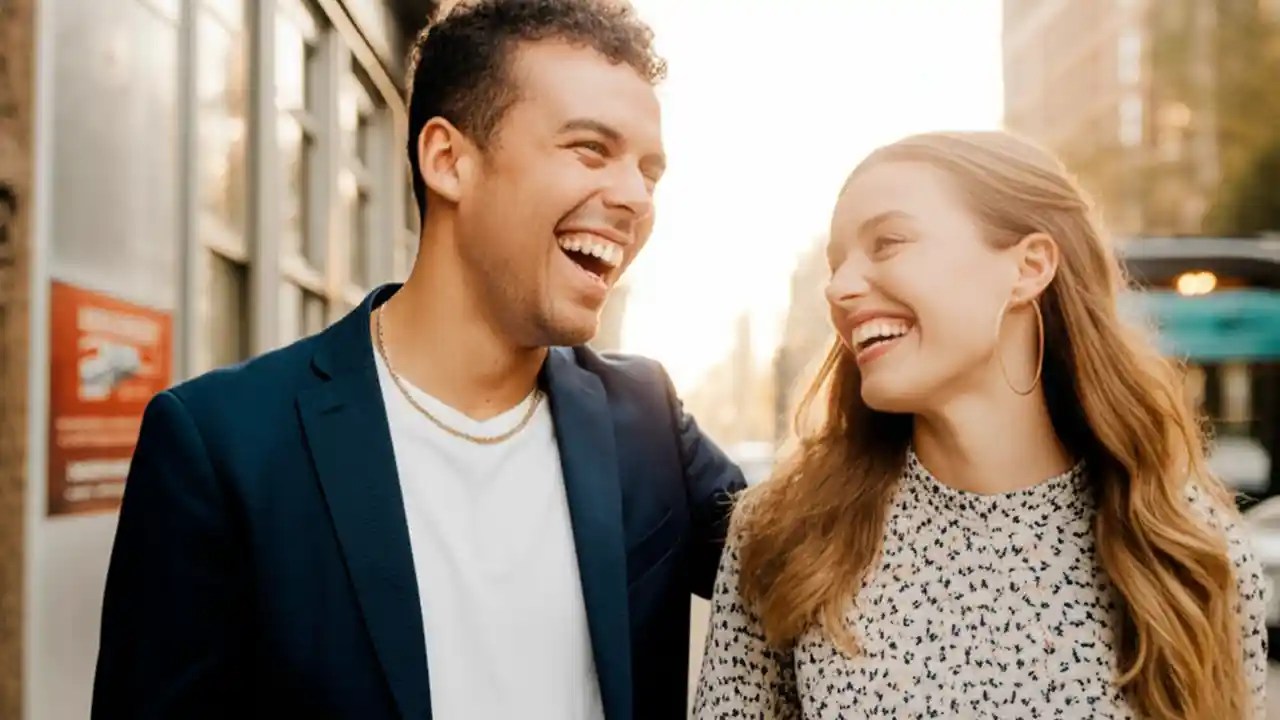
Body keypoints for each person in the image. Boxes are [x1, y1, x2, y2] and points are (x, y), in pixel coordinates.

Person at [92, 2, 745, 718]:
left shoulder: (646, 418)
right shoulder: (222, 447)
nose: (633, 198)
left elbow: (826, 559)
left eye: (648, 170)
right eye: (591, 149)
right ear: (448, 160)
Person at [693, 131, 1268, 719]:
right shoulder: (786, 536)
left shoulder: (1193, 553)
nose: (839, 288)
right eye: (837, 265)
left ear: (1029, 266)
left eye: (887, 243)